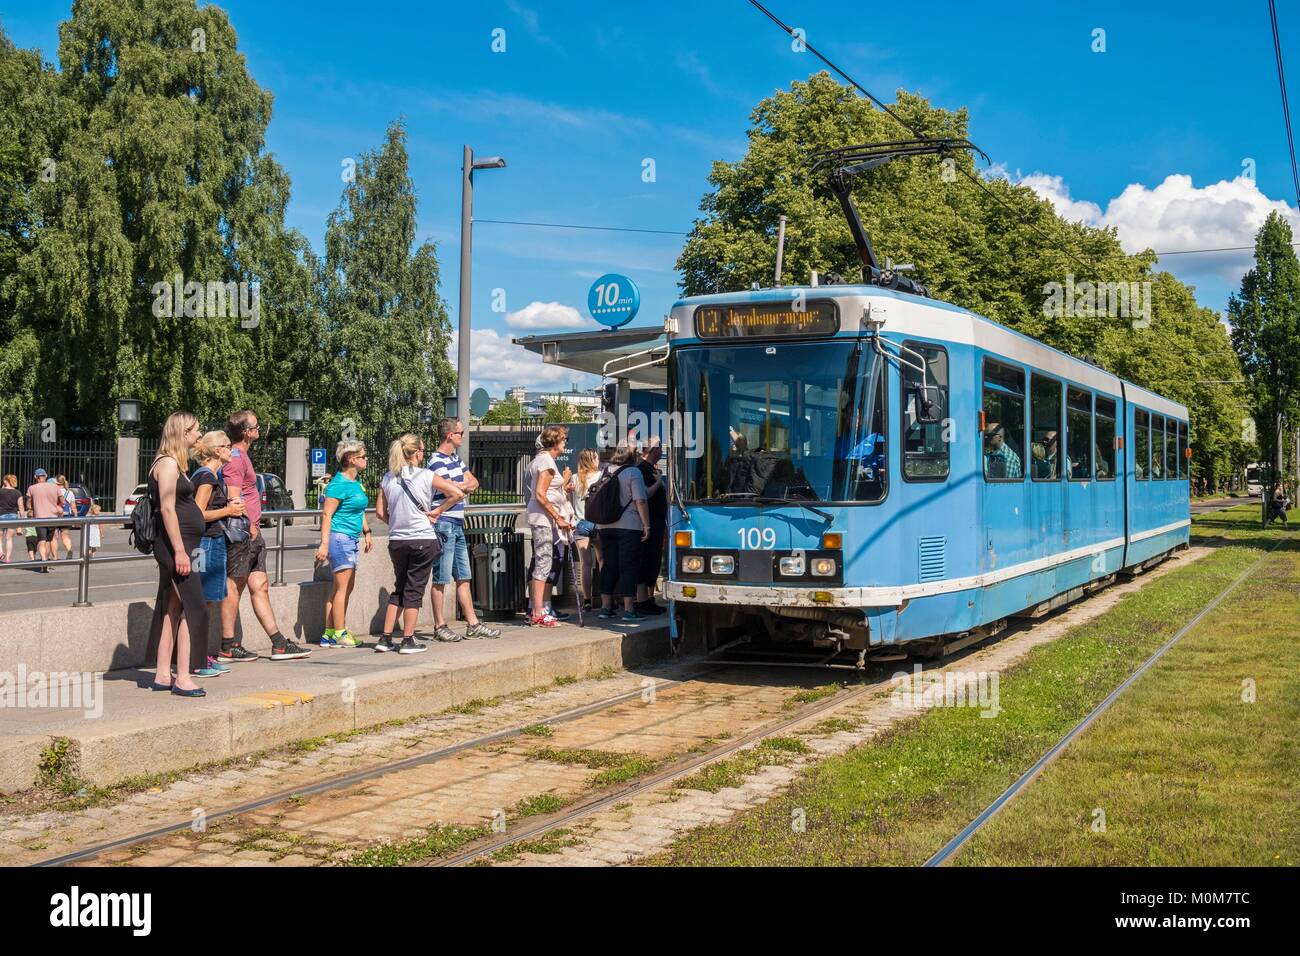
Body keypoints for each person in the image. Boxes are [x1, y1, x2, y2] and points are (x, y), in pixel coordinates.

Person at [218, 410, 309, 662]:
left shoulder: (242, 456)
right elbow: (233, 496)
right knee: (234, 586)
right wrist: (249, 525)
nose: (259, 429)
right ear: (246, 432)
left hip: (253, 532)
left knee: (260, 586)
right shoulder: (235, 458)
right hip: (244, 532)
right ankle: (228, 645)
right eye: (256, 426)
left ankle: (278, 643)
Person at [144, 412, 211, 696]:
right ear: (183, 433)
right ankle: (183, 676)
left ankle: (162, 673)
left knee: (173, 607)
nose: (198, 435)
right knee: (194, 608)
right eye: (195, 431)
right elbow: (168, 508)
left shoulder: (173, 463)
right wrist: (181, 551)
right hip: (178, 546)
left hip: (183, 544)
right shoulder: (169, 464)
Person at [376, 434, 454, 653]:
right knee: (414, 590)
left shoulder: (388, 477)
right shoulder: (426, 476)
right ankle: (408, 639)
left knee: (399, 588)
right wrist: (437, 511)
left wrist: (397, 522)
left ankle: (385, 638)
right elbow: (456, 493)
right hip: (422, 537)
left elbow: (381, 512)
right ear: (418, 453)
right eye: (422, 450)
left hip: (397, 540)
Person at [428, 419, 500, 641]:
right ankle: (440, 626)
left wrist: (459, 486)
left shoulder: (455, 459)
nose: (463, 436)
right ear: (449, 435)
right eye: (460, 432)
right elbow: (451, 491)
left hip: (458, 522)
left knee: (464, 576)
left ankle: (473, 624)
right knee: (441, 577)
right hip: (444, 522)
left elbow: (473, 482)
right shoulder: (435, 461)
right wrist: (459, 487)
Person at [191, 430, 245, 675]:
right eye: (226, 446)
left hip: (212, 542)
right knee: (202, 602)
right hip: (206, 544)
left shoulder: (211, 476)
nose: (231, 450)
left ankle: (202, 656)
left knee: (208, 602)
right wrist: (228, 511)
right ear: (216, 451)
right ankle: (197, 659)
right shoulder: (206, 478)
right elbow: (197, 514)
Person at [315, 439, 373, 647]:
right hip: (340, 539)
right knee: (342, 588)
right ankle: (340, 632)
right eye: (363, 457)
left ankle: (329, 632)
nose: (366, 460)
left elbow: (358, 510)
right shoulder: (338, 484)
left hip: (350, 538)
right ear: (351, 459)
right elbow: (327, 514)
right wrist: (324, 544)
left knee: (343, 588)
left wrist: (367, 531)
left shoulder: (354, 484)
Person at [524, 426, 574, 628]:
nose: (565, 444)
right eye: (563, 440)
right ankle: (538, 612)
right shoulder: (546, 462)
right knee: (543, 563)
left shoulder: (541, 460)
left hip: (542, 518)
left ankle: (537, 610)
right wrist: (558, 517)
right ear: (555, 442)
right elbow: (540, 494)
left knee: (542, 562)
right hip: (543, 519)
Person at [596, 443, 651, 624]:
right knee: (628, 566)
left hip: (605, 525)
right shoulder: (633, 473)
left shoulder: (604, 472)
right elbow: (640, 500)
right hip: (629, 526)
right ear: (631, 456)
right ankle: (629, 609)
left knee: (609, 565)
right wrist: (647, 525)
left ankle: (605, 607)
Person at [634, 438, 666, 615]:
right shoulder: (643, 470)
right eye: (659, 447)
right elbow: (644, 496)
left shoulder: (650, 469)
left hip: (655, 523)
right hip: (649, 524)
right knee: (647, 560)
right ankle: (642, 600)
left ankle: (648, 598)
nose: (662, 450)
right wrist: (659, 482)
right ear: (653, 450)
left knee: (653, 560)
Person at [571, 448, 602, 611]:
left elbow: (569, 500)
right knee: (603, 561)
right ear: (592, 460)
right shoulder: (600, 476)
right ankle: (606, 598)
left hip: (580, 523)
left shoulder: (575, 478)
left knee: (586, 564)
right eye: (596, 458)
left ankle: (587, 600)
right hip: (598, 522)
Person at [24, 468, 62, 570]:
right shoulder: (55, 487)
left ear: (35, 477)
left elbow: (28, 504)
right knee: (49, 540)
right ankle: (46, 561)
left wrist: (32, 506)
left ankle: (44, 560)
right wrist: (56, 506)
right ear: (46, 476)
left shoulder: (32, 488)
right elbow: (62, 500)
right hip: (52, 517)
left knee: (41, 540)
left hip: (39, 517)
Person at [0, 474, 24, 564]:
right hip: (13, 516)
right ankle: (8, 559)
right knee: (9, 538)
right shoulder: (18, 493)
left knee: (0, 537)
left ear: (5, 481)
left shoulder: (0, 491)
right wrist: (23, 519)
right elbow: (21, 507)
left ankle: (1, 552)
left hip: (1, 515)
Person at [54, 475, 76, 559]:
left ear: (56, 482)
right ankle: (69, 549)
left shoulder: (54, 491)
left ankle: (54, 557)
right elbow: (73, 507)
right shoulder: (69, 492)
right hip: (66, 516)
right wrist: (76, 518)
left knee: (54, 537)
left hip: (55, 516)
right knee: (65, 536)